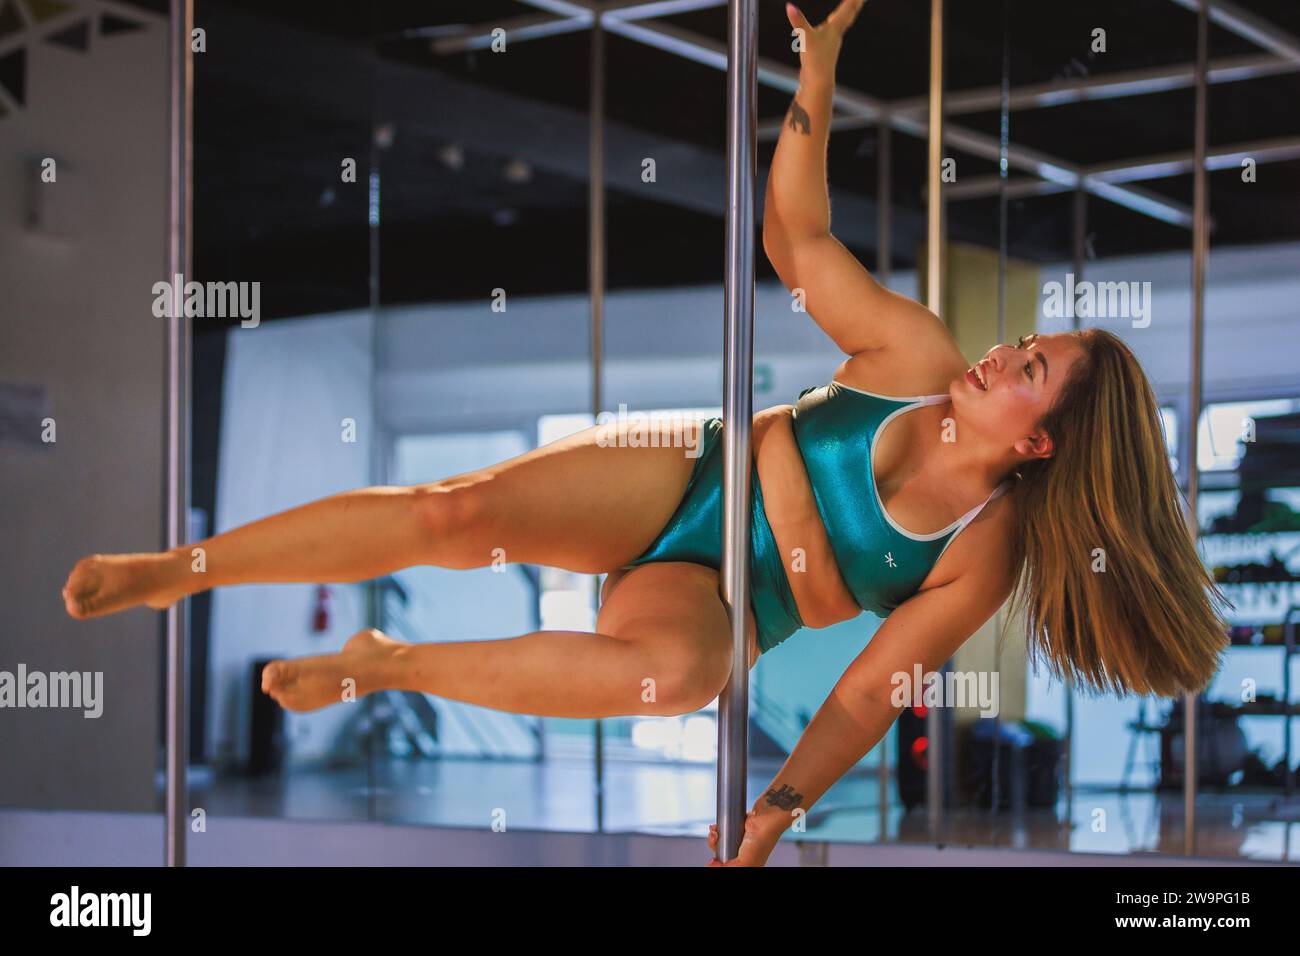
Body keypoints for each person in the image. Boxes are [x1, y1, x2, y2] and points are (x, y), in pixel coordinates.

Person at [61, 0, 1228, 866]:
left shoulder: (982, 550)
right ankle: (180, 569)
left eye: (1027, 369)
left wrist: (773, 814)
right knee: (452, 515)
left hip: (724, 605)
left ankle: (386, 664)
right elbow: (796, 241)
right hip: (682, 476)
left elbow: (868, 694)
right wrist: (814, 67)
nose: (998, 353)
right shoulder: (916, 358)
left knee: (680, 678)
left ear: (1041, 445)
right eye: (1023, 342)